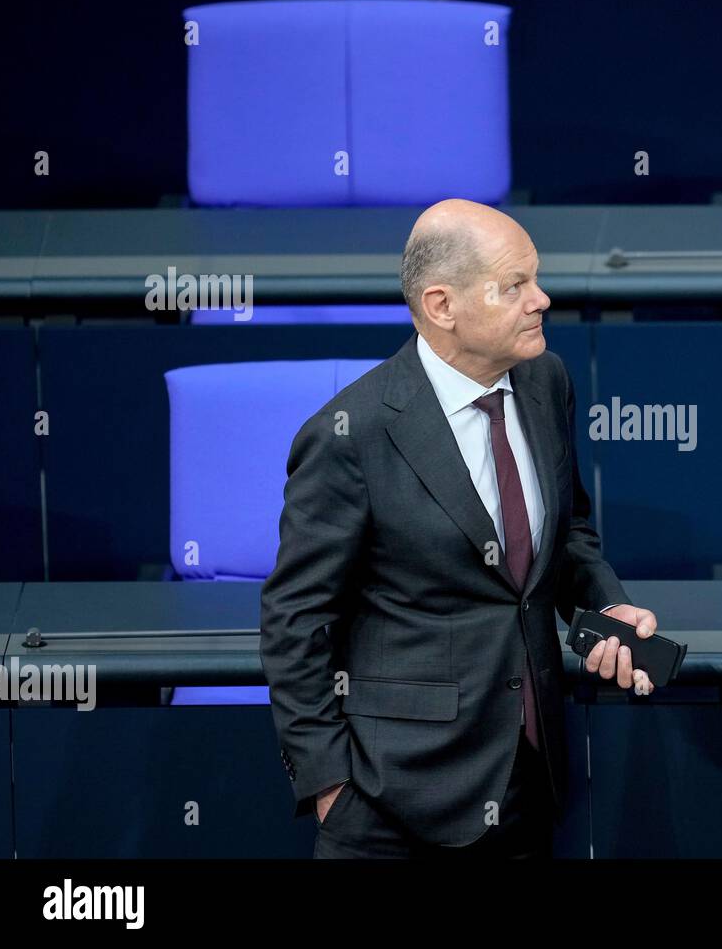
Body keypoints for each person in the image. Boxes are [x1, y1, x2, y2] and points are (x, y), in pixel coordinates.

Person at [260, 199, 656, 858]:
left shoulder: (544, 382)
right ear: (442, 306)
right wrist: (330, 784)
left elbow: (568, 534)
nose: (543, 300)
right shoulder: (351, 436)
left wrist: (604, 603)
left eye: (537, 277)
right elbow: (293, 620)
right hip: (394, 804)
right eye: (516, 285)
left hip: (529, 778)